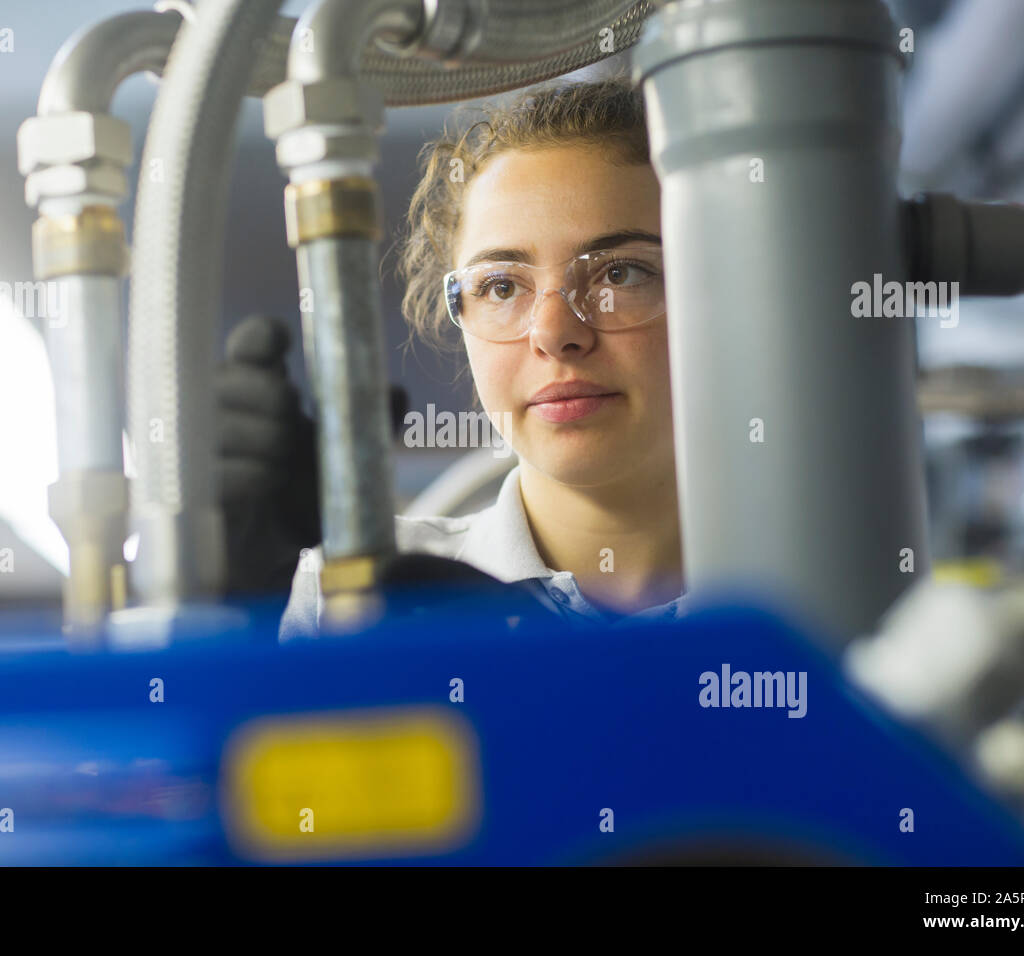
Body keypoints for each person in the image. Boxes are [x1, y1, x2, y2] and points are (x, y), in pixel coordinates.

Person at [218, 76, 684, 639]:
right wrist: (228, 620)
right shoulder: (344, 600)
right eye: (503, 287)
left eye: (620, 273)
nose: (555, 334)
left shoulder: (813, 591)